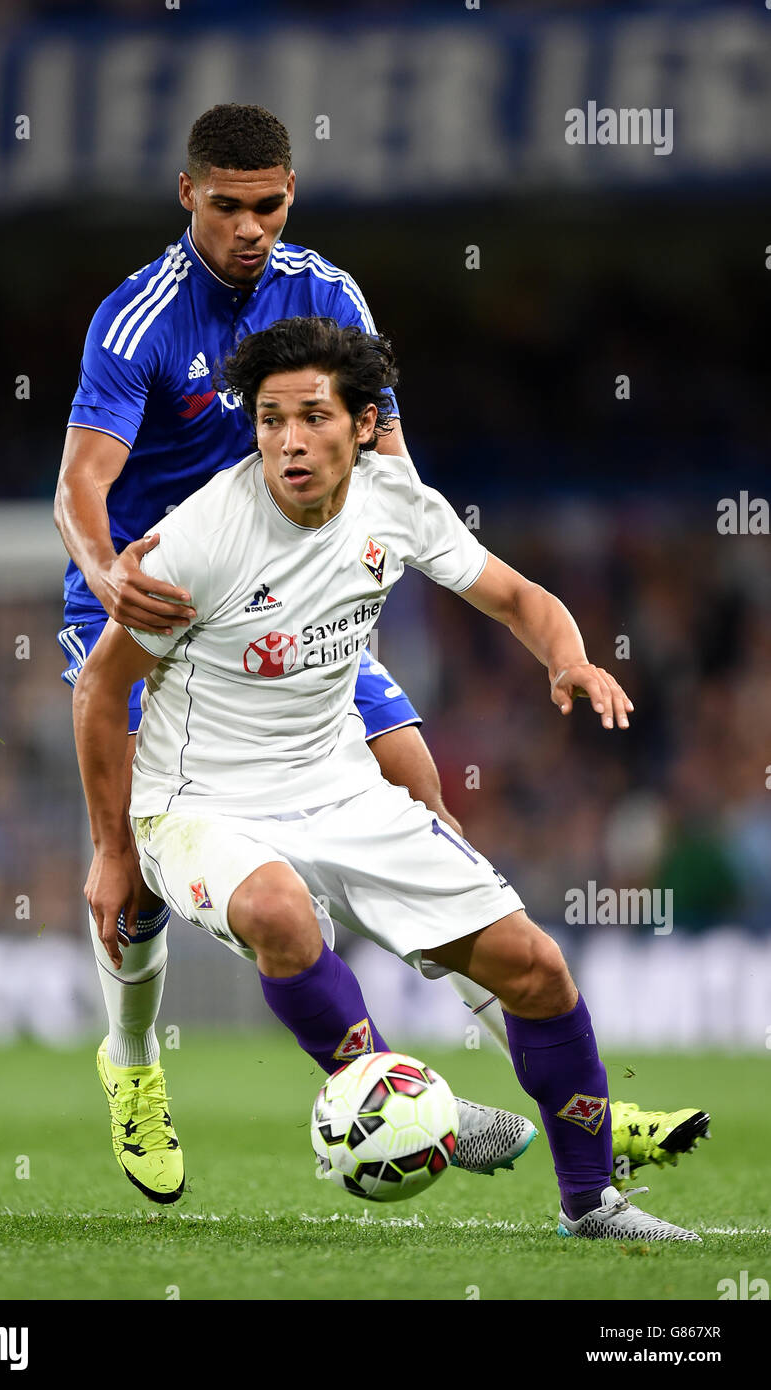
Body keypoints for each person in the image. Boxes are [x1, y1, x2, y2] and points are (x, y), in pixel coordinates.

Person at [55, 103, 707, 1203]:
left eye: (270, 205)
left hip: (302, 587)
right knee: (133, 876)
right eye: (228, 207)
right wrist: (111, 566)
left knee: (423, 796)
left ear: (290, 196)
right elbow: (80, 484)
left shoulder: (332, 293)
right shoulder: (139, 321)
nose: (251, 227)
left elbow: (389, 456)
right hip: (160, 591)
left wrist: (391, 538)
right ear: (188, 197)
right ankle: (133, 1061)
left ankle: (532, 1080)